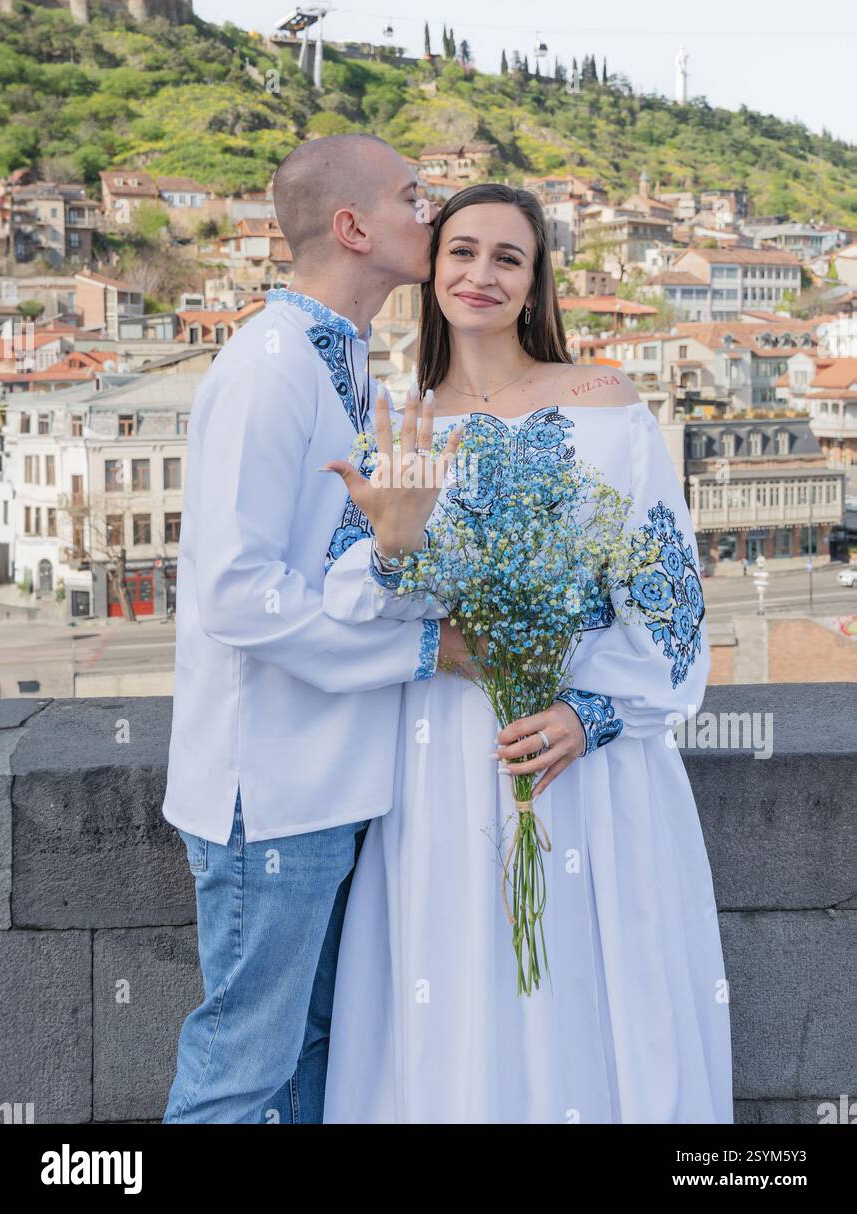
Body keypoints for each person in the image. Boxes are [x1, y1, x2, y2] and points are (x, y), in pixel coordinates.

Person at [319, 183, 734, 1123]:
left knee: (590, 989)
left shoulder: (606, 403)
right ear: (432, 270)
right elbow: (345, 603)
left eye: (509, 257)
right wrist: (395, 545)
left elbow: (672, 609)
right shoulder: (404, 422)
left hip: (587, 765)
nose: (481, 273)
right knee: (460, 987)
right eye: (462, 251)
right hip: (447, 765)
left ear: (537, 281)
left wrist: (590, 716)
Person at [161, 134, 470, 1123]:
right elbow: (237, 593)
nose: (433, 213)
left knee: (310, 1065)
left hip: (329, 784)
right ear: (351, 226)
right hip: (269, 792)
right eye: (413, 196)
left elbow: (345, 566)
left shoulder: (346, 371)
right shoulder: (265, 370)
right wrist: (424, 649)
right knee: (242, 1069)